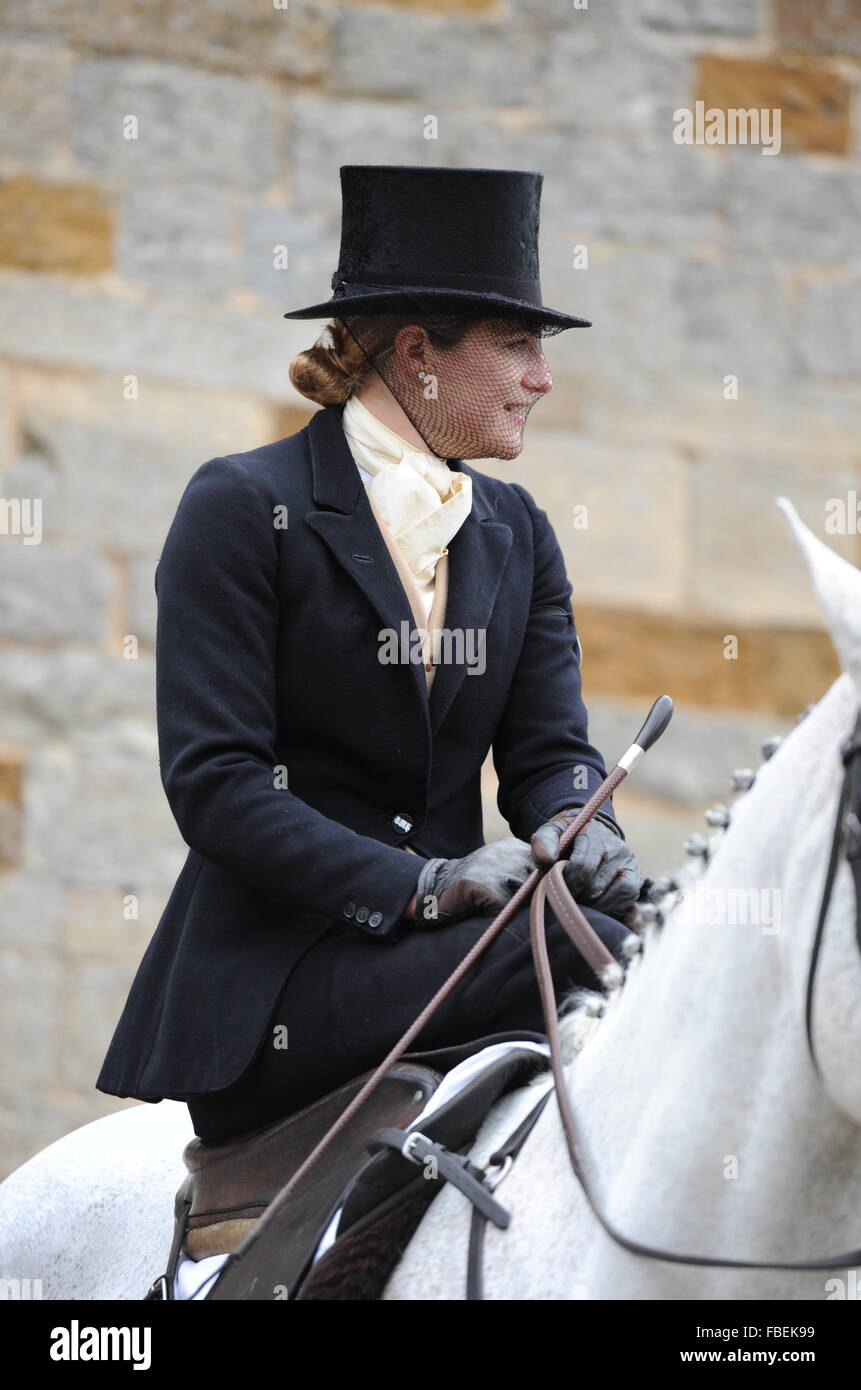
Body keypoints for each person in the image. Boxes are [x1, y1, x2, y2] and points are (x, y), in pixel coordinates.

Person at [94, 165, 648, 1143]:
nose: (542, 377)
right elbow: (218, 786)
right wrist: (424, 886)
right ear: (417, 354)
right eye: (518, 344)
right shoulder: (239, 509)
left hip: (442, 967)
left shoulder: (518, 531)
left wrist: (579, 824)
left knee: (641, 937)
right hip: (280, 981)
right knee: (589, 955)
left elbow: (548, 753)